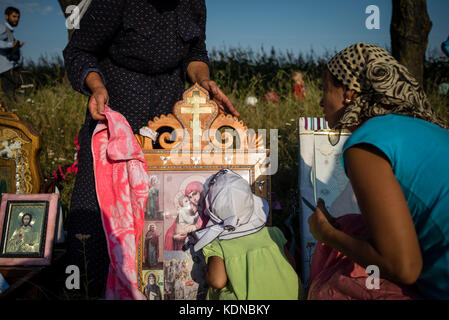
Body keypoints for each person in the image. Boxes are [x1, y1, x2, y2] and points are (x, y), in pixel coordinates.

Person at [63, 0, 238, 298]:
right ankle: (86, 290)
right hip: (116, 108)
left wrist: (204, 80)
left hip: (167, 119)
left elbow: (195, 54)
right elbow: (79, 50)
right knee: (97, 210)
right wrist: (95, 86)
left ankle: (152, 289)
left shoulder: (193, 3)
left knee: (158, 209)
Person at [308, 43, 449, 299]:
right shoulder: (421, 128)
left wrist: (327, 234)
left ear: (349, 94)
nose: (320, 101)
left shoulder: (365, 143)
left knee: (337, 286)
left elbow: (404, 268)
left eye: (325, 90)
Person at [190, 169, 301, 300]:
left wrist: (207, 275)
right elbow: (291, 264)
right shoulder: (273, 233)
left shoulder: (218, 245)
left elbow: (217, 281)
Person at [0, 7, 24, 98]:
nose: (16, 19)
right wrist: (11, 44)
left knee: (9, 93)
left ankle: (11, 109)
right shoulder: (3, 28)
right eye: (14, 16)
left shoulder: (9, 31)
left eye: (18, 17)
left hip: (6, 67)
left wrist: (16, 46)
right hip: (5, 66)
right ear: (6, 16)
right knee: (26, 83)